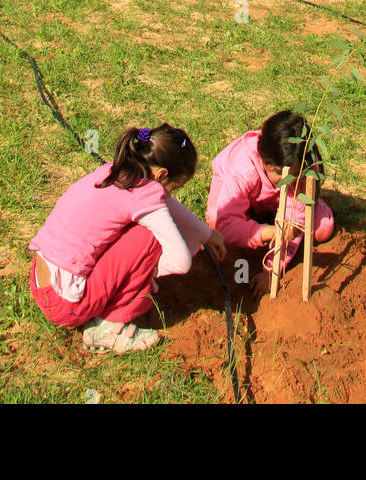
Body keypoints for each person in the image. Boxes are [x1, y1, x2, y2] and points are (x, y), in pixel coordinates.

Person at [29, 123, 225, 354]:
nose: (170, 194)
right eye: (175, 187)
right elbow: (181, 261)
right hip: (66, 305)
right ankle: (107, 327)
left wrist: (205, 233)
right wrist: (145, 275)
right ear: (162, 175)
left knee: (137, 227)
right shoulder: (146, 194)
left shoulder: (120, 171)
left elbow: (164, 202)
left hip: (44, 283)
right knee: (148, 236)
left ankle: (103, 304)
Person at [206, 110, 335, 298]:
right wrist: (269, 232)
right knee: (215, 222)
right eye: (277, 172)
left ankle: (305, 206)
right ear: (265, 161)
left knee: (323, 227)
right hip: (239, 188)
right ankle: (255, 218)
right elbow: (226, 225)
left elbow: (294, 220)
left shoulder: (303, 166)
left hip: (272, 199)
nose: (285, 179)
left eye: (292, 174)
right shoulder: (243, 167)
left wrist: (272, 271)